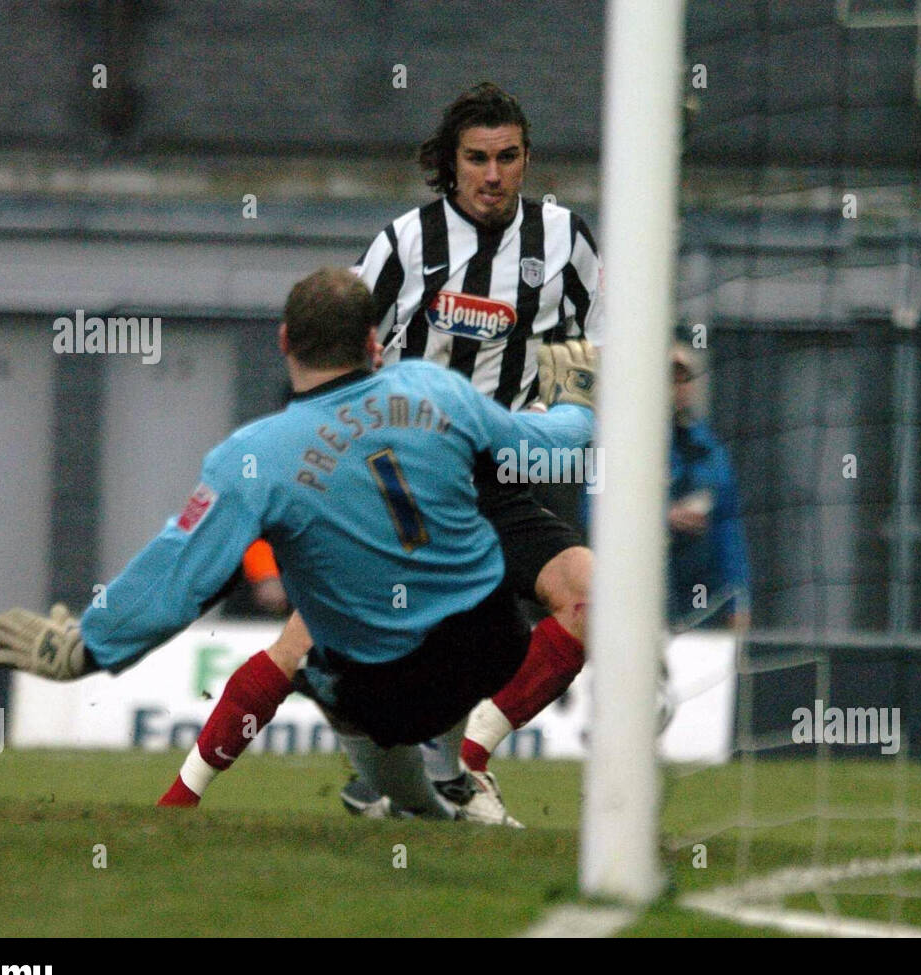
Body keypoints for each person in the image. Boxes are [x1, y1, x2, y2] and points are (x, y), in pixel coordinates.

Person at [0, 268, 598, 821]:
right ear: (373, 343)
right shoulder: (435, 389)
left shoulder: (254, 455)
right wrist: (575, 402)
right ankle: (450, 783)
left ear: (283, 342)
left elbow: (179, 577)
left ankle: (418, 801)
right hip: (493, 645)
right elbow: (543, 449)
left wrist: (88, 649)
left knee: (314, 660)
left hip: (385, 692)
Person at [159, 82, 603, 821]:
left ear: (527, 160)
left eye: (508, 157)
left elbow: (577, 354)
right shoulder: (402, 246)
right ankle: (178, 800)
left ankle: (465, 763)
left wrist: (560, 431)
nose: (493, 175)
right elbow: (335, 352)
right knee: (303, 645)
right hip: (405, 482)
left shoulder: (566, 243)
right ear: (450, 164)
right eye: (477, 159)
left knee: (594, 601)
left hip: (500, 478)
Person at [667, 345, 751, 631]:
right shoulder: (618, 444)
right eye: (668, 378)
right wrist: (661, 517)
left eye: (683, 379)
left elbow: (728, 531)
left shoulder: (710, 451)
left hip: (700, 609)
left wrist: (738, 603)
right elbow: (594, 515)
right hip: (635, 603)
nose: (676, 388)